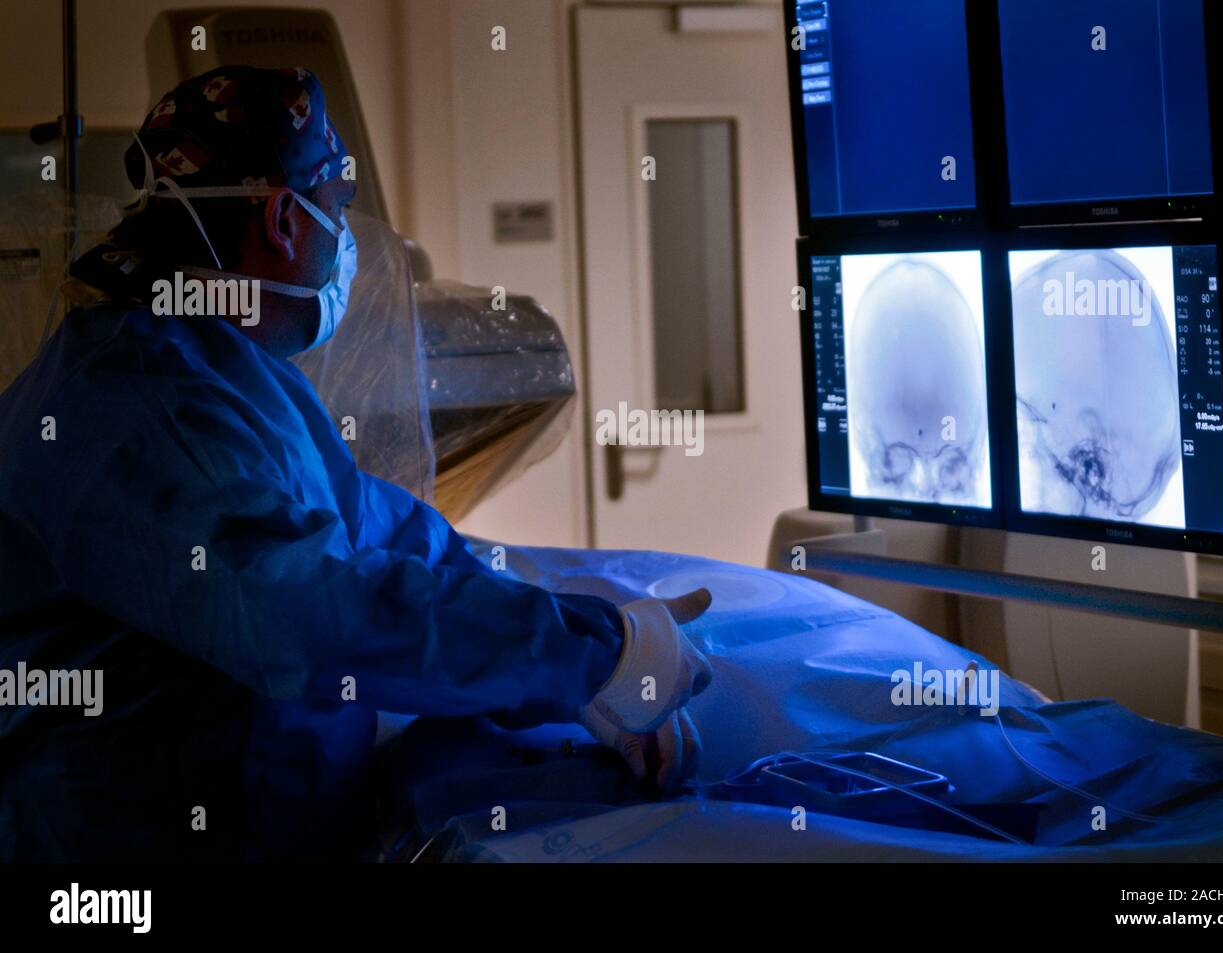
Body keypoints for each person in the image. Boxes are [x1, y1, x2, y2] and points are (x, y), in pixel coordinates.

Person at [0, 66, 711, 861]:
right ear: (280, 217)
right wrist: (591, 658)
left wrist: (562, 622)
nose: (344, 239)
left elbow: (381, 530)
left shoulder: (224, 367)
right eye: (336, 208)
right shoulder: (136, 403)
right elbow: (312, 613)